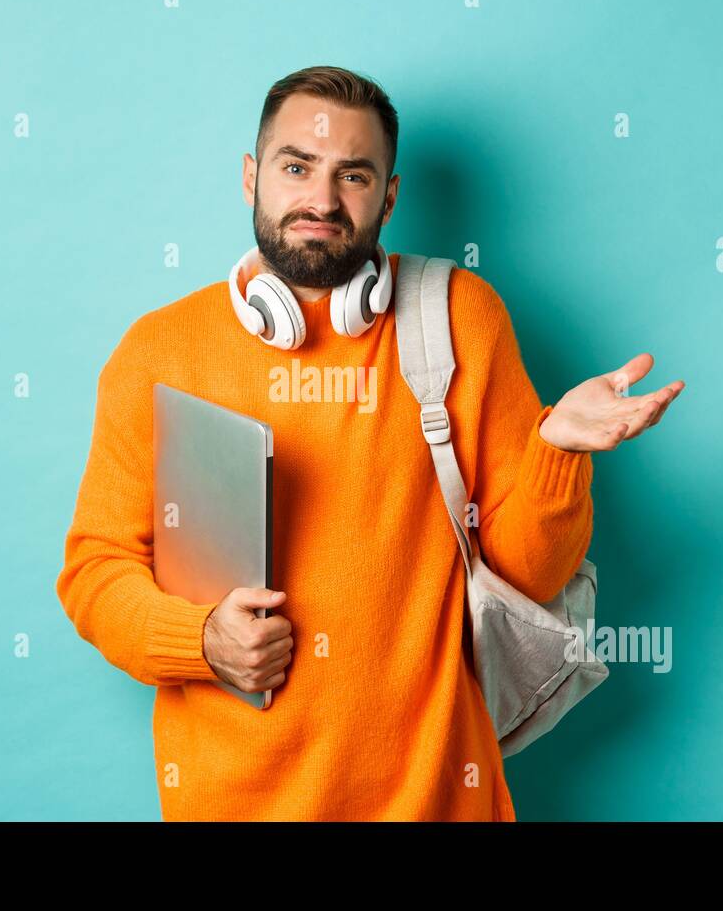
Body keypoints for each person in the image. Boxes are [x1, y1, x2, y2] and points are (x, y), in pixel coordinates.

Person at [55, 65, 684, 821]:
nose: (321, 201)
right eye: (296, 167)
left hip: (442, 801)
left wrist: (557, 452)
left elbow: (524, 576)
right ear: (251, 176)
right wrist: (199, 639)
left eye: (352, 175)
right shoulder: (159, 351)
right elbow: (96, 572)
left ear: (388, 197)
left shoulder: (460, 317)